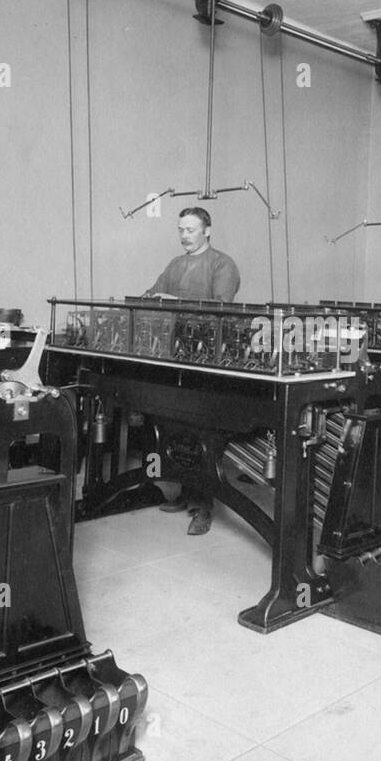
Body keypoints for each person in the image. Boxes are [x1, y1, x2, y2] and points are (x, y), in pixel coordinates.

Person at [143, 206, 240, 535]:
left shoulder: (222, 264)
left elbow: (221, 310)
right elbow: (151, 294)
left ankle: (204, 505)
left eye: (190, 230)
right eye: (180, 229)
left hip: (208, 359)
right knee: (173, 423)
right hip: (175, 354)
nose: (184, 235)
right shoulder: (175, 264)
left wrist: (169, 298)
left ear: (207, 231)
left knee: (202, 431)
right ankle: (183, 493)